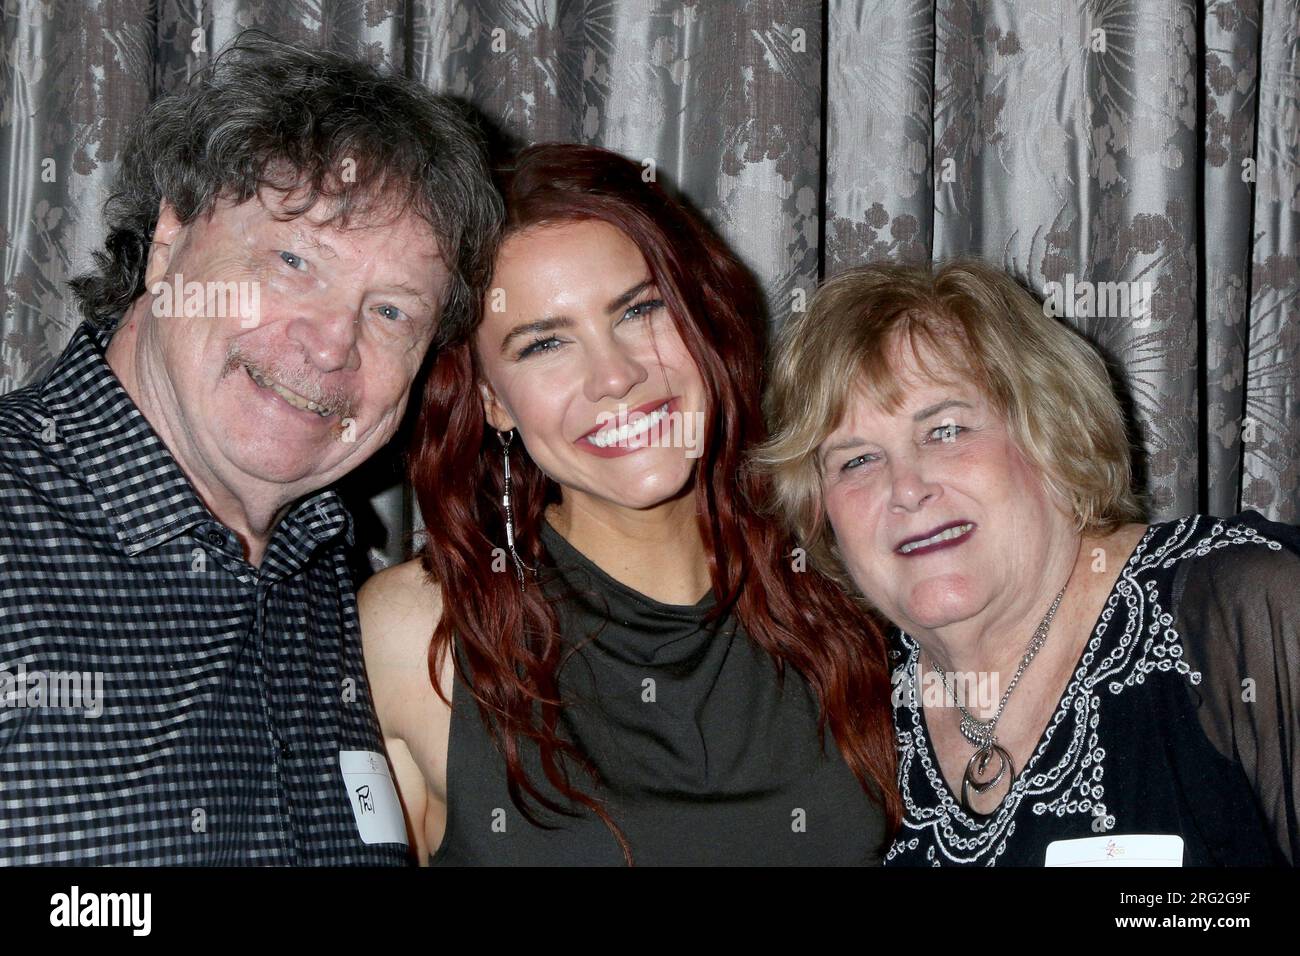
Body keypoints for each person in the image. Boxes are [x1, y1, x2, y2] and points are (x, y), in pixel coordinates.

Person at [0, 34, 502, 865]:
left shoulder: (327, 580)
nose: (333, 344)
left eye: (391, 313)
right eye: (294, 260)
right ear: (167, 244)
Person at [359, 143, 899, 865]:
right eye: (544, 344)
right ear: (492, 401)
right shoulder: (415, 636)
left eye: (641, 309)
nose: (615, 376)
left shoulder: (853, 577)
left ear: (703, 313)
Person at [759, 258, 1300, 866]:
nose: (905, 488)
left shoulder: (1240, 613)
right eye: (856, 461)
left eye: (945, 430)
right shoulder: (841, 704)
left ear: (1051, 431)